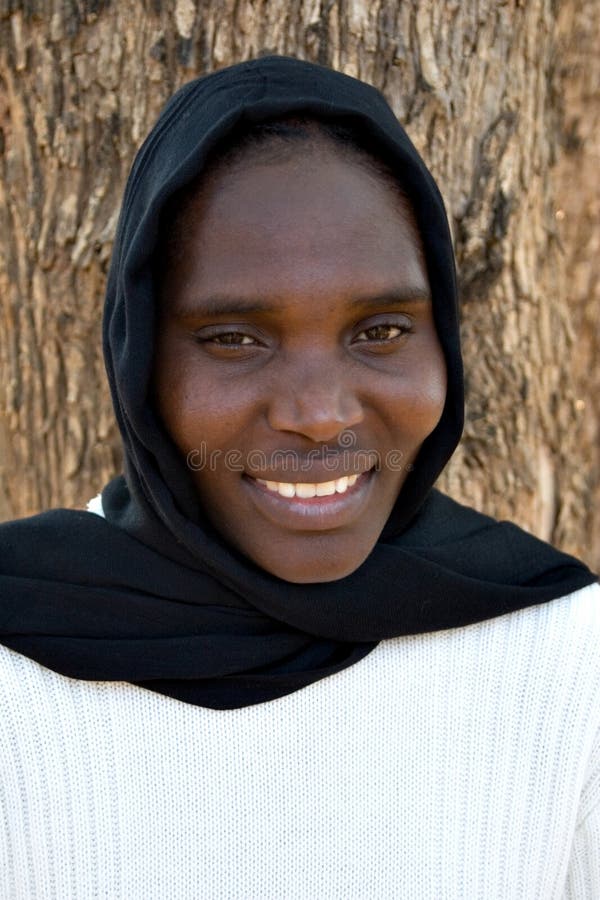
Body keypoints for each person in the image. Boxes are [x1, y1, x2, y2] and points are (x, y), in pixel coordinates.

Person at [0, 55, 598, 899]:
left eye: (381, 330)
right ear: (140, 362)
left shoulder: (567, 666)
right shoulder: (14, 668)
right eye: (235, 339)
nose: (319, 415)